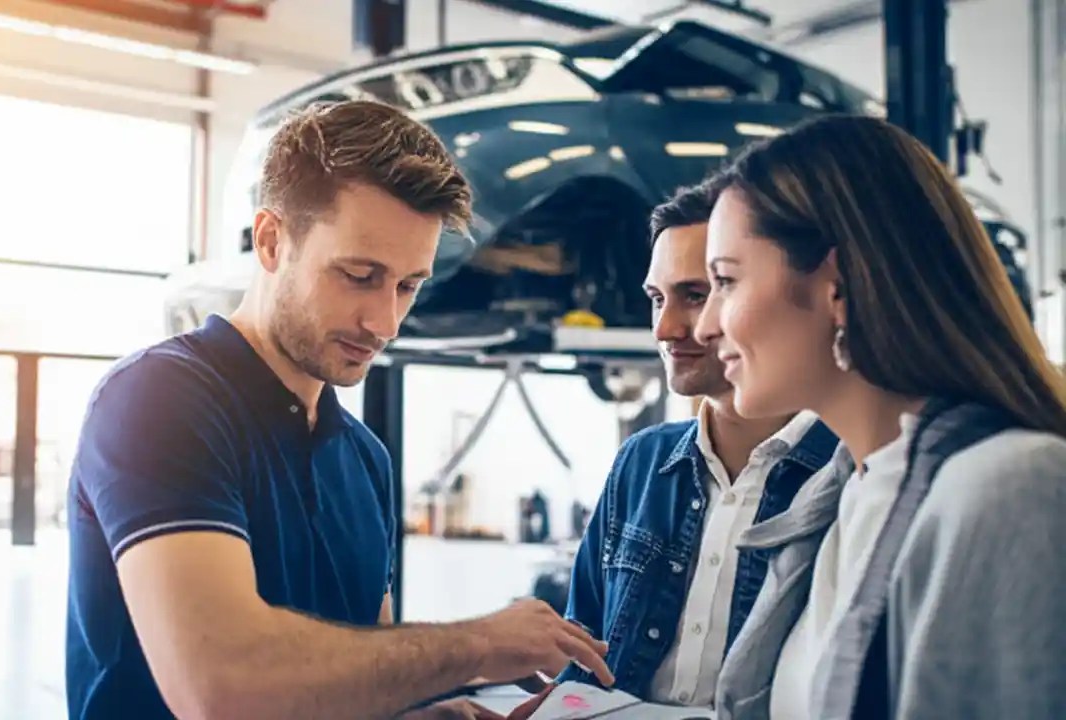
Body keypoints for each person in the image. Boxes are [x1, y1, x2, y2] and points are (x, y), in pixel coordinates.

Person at [64, 100, 611, 720]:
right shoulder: (160, 399)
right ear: (271, 240)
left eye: (408, 286)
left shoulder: (365, 458)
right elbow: (222, 686)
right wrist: (479, 643)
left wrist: (430, 716)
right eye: (358, 274)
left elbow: (351, 689)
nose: (385, 322)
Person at [697, 115, 1066, 719]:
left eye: (725, 282)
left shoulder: (1013, 485)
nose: (707, 325)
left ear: (836, 284)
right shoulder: (844, 496)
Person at [512, 183, 838, 718]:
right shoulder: (641, 464)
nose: (666, 328)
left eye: (695, 294)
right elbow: (585, 652)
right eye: (657, 299)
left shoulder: (843, 475)